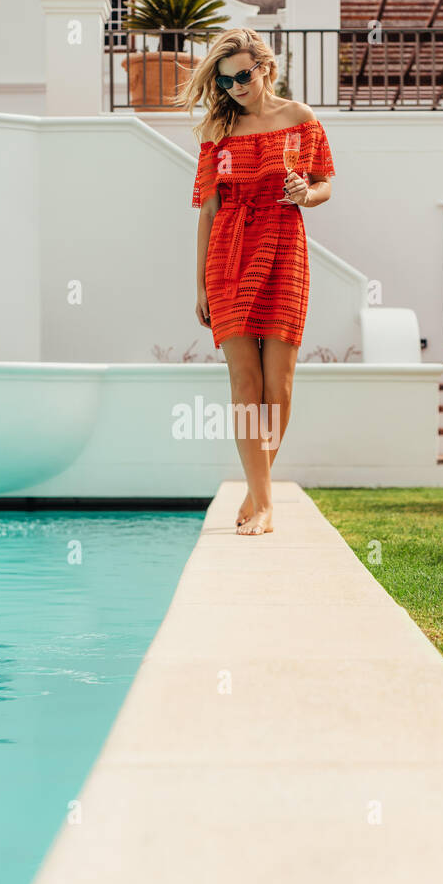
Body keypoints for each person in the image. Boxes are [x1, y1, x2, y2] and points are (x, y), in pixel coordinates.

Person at [178, 28, 335, 536]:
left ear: (265, 68)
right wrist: (201, 284)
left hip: (284, 247)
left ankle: (255, 488)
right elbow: (207, 211)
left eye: (244, 75)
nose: (237, 87)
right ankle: (264, 503)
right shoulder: (215, 132)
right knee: (245, 384)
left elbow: (324, 182)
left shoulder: (299, 119)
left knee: (279, 386)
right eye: (226, 81)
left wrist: (304, 195)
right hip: (228, 253)